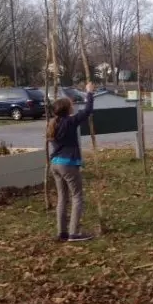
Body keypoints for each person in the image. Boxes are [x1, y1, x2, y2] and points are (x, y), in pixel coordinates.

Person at [47, 82, 95, 241]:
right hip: (67, 164)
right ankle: (73, 233)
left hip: (55, 164)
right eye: (71, 105)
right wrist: (89, 92)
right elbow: (88, 110)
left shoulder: (53, 123)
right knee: (77, 197)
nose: (73, 106)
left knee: (62, 198)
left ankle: (62, 232)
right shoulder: (70, 121)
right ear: (67, 110)